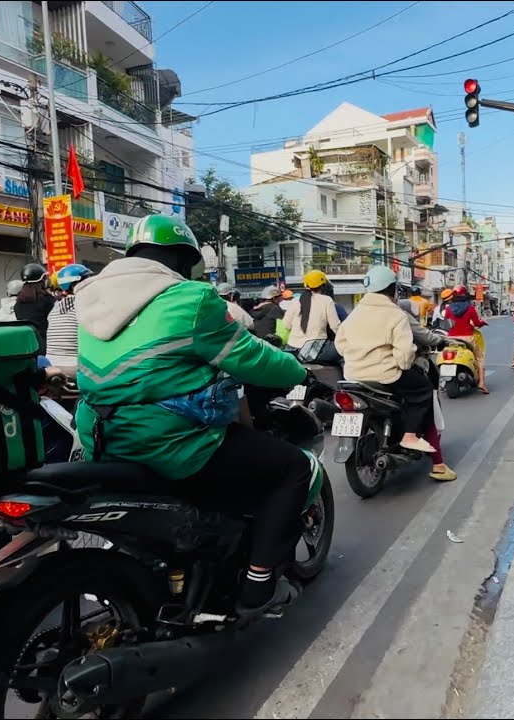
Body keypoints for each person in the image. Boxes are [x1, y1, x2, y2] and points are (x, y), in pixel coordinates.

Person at [74, 214, 313, 618]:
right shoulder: (191, 299)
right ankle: (258, 586)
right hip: (169, 444)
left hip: (102, 437)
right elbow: (251, 357)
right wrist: (299, 371)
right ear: (183, 259)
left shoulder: (87, 300)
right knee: (291, 467)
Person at [335, 267, 437, 453]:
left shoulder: (354, 315)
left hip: (353, 376)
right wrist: (404, 364)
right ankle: (410, 436)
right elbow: (405, 355)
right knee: (424, 389)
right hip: (385, 375)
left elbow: (340, 345)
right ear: (393, 289)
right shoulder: (396, 315)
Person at [397, 299, 457, 481]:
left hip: (357, 373)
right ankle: (438, 464)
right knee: (426, 395)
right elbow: (422, 337)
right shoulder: (398, 315)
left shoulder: (360, 314)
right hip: (393, 370)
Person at [284, 270, 341, 363]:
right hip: (315, 350)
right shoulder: (326, 300)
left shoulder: (295, 301)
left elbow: (286, 325)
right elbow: (335, 326)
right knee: (345, 352)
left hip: (293, 349)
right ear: (323, 286)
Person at [45, 263, 93, 369]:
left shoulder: (55, 308)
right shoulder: (84, 305)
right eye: (87, 280)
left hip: (50, 365)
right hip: (74, 365)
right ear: (74, 284)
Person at [444, 285, 489, 394]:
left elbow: (446, 324)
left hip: (451, 339)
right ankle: (482, 383)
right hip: (467, 338)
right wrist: (482, 323)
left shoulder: (448, 309)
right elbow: (477, 323)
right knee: (479, 358)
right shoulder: (470, 308)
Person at [14, 262, 55, 350]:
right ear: (42, 281)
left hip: (27, 346)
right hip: (46, 346)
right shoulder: (48, 301)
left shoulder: (18, 303)